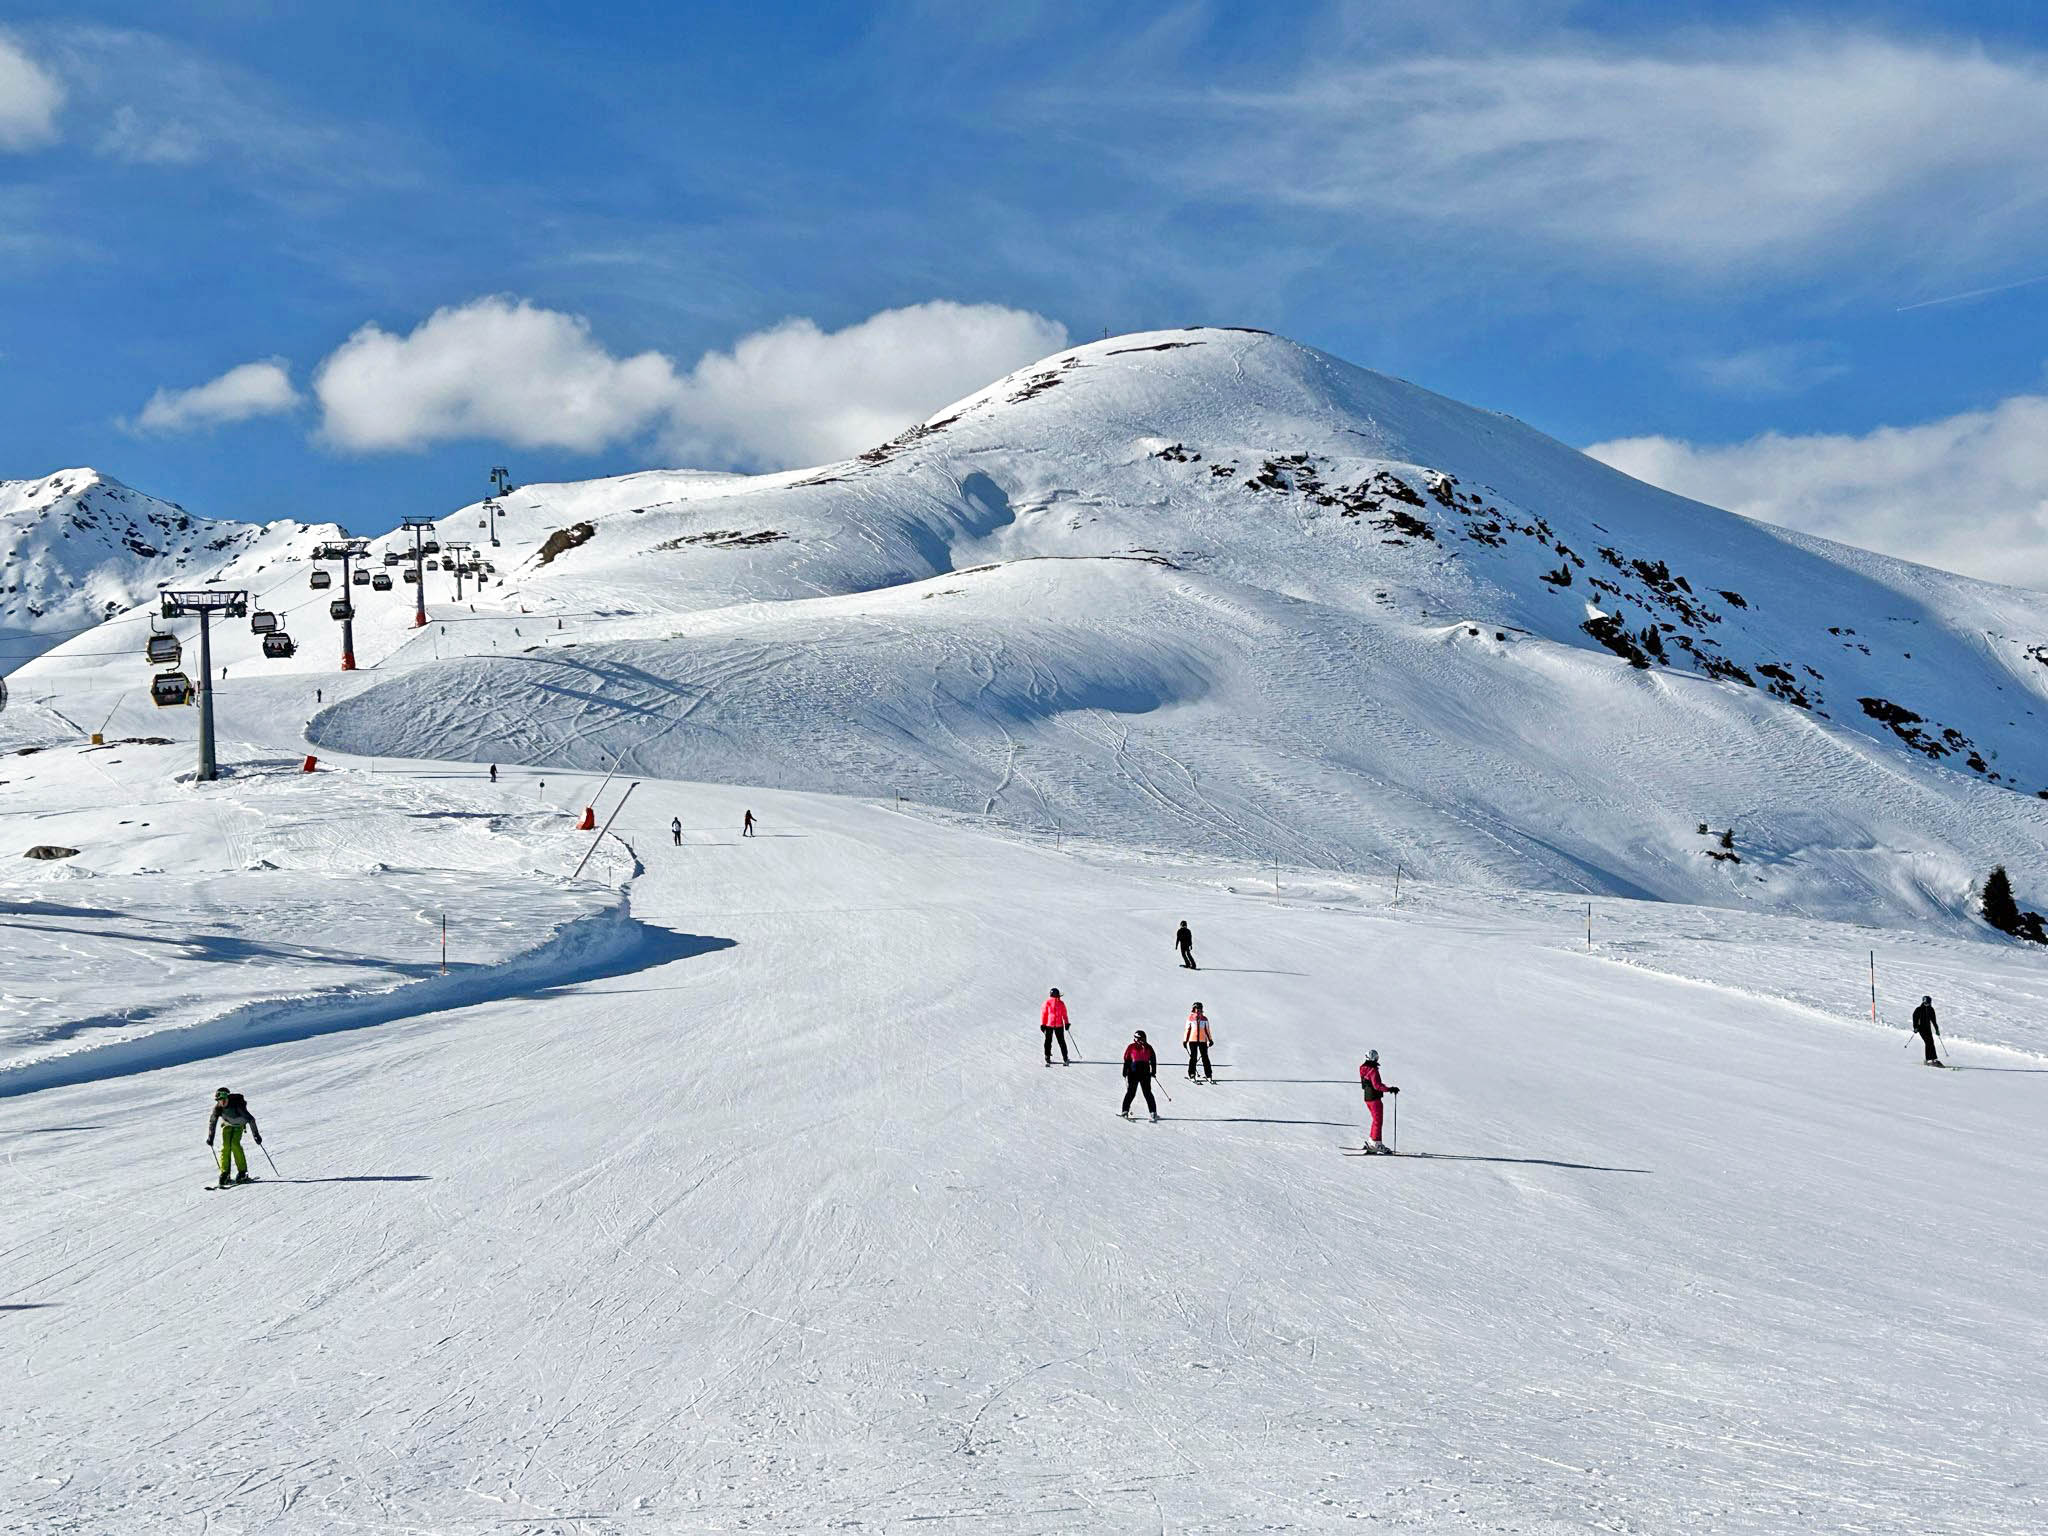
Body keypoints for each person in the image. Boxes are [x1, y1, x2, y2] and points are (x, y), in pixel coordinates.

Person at [206, 1087, 263, 1188]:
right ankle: (225, 1173)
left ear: (228, 1098)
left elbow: (251, 1119)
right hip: (227, 1125)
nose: (223, 1102)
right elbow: (213, 1122)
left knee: (235, 1145)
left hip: (239, 1126)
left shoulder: (237, 1106)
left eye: (224, 1100)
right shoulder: (218, 1108)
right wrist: (211, 1137)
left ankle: (242, 1172)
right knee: (225, 1147)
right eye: (220, 1101)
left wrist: (256, 1135)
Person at [1359, 1050, 1399, 1153]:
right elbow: (1377, 1086)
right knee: (1378, 1121)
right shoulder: (1373, 1070)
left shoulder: (1363, 1068)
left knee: (1375, 1120)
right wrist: (1390, 1089)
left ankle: (1372, 1141)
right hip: (1374, 1098)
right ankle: (1376, 1143)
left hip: (1367, 1098)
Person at [1121, 1030, 1159, 1120]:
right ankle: (1125, 1110)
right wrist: (1125, 1070)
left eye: (1144, 1038)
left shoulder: (1148, 1047)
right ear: (1136, 1039)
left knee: (1147, 1093)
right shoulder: (1131, 1047)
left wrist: (1153, 1071)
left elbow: (1153, 1059)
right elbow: (1127, 1059)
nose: (1143, 1040)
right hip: (1133, 1073)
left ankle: (1153, 1112)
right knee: (1131, 1092)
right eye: (1141, 1038)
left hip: (1145, 1073)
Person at [1041, 987, 1072, 1066]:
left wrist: (1043, 1024)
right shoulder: (1057, 1003)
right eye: (1058, 995)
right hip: (1054, 1025)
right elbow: (1064, 1015)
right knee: (1060, 1042)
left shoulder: (1048, 1002)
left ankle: (1048, 1056)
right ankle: (1063, 1057)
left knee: (1048, 1041)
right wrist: (1066, 1023)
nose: (1059, 996)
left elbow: (1044, 1014)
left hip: (1050, 1025)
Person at [1183, 1002, 1214, 1080]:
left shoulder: (1204, 1019)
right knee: (1193, 1057)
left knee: (1205, 1057)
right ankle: (1192, 1074)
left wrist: (1210, 1040)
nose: (1198, 1010)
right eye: (1197, 1008)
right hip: (1192, 1040)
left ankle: (1208, 1074)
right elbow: (1187, 1030)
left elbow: (1207, 1030)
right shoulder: (1190, 1018)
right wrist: (1185, 1040)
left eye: (1200, 1008)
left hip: (1202, 1041)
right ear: (1194, 1009)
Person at [1911, 995, 1943, 1066]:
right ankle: (1929, 1060)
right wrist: (1915, 1027)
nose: (1928, 1004)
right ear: (1923, 1002)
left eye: (1929, 1003)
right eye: (1926, 1003)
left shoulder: (1931, 1009)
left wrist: (1937, 1029)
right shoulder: (1918, 1009)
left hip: (1928, 1029)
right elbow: (1915, 1019)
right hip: (1921, 1029)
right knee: (1928, 1042)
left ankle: (1933, 1059)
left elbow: (1934, 1020)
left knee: (1931, 1042)